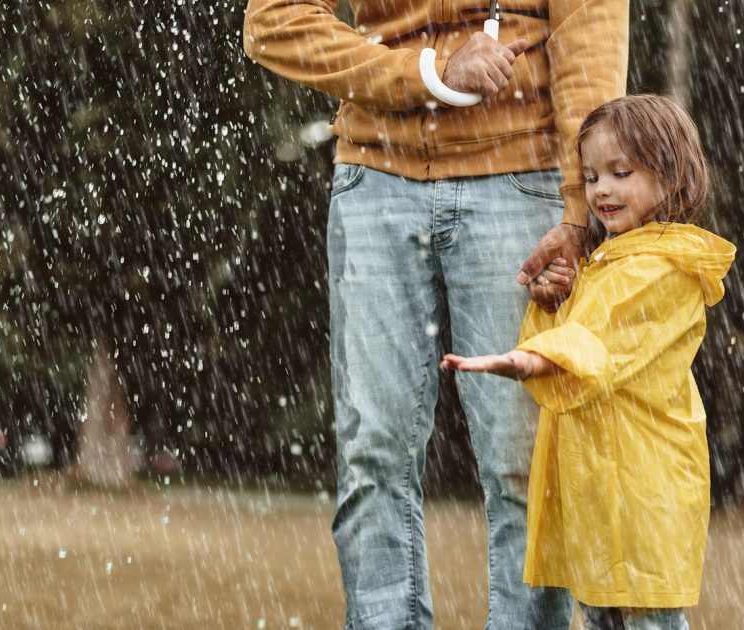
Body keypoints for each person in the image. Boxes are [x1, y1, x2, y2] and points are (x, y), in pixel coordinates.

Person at [242, 0, 628, 626]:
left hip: (519, 179)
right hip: (375, 178)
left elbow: (590, 38)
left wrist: (580, 211)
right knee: (373, 457)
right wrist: (429, 74)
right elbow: (272, 22)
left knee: (525, 465)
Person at [441, 94, 736, 630]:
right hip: (597, 487)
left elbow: (601, 345)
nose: (600, 190)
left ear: (671, 178)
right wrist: (551, 303)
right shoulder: (604, 263)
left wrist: (531, 359)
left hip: (644, 486)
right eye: (591, 176)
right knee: (600, 612)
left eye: (620, 173)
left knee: (648, 617)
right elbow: (580, 333)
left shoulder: (668, 268)